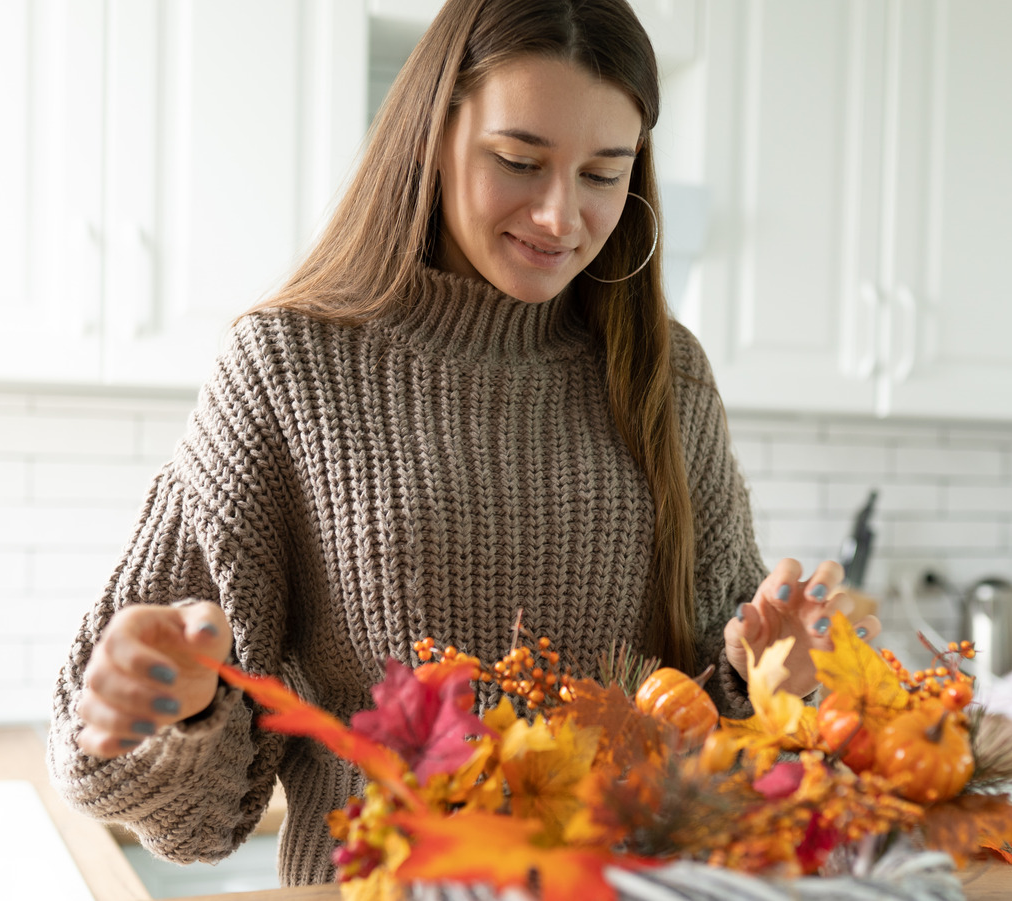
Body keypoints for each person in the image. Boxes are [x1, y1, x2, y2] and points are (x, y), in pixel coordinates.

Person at [47, 0, 882, 887]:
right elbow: (175, 806)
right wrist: (155, 710)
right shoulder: (288, 367)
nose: (561, 216)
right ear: (432, 136)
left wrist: (773, 677)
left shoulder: (665, 374)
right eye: (519, 161)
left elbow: (722, 729)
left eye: (605, 174)